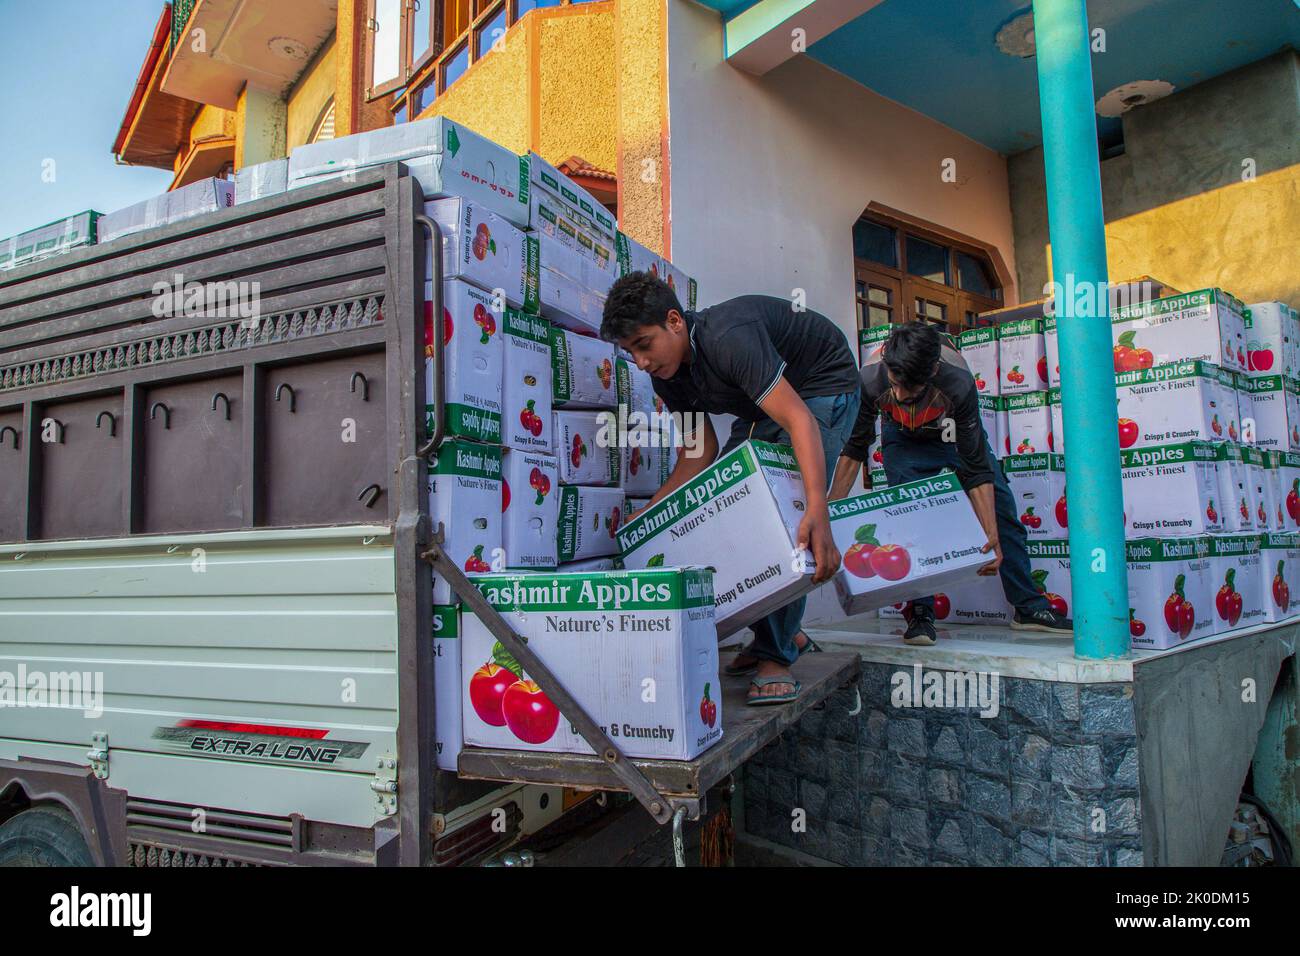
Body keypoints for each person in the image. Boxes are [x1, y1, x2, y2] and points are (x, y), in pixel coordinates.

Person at [601, 273, 861, 705]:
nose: (641, 362)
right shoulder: (666, 376)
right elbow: (699, 453)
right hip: (763, 404)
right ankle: (781, 636)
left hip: (820, 387)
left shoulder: (729, 338)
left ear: (674, 321)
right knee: (729, 500)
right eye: (630, 352)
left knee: (785, 514)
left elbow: (799, 420)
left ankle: (775, 657)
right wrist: (651, 512)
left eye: (644, 345)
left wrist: (818, 505)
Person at [829, 321, 1073, 646]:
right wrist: (831, 512)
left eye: (910, 390)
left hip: (951, 431)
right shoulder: (871, 379)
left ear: (933, 370)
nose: (900, 396)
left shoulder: (957, 381)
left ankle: (1027, 607)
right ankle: (920, 614)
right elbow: (855, 448)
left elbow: (974, 467)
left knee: (1003, 517)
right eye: (895, 384)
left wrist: (990, 535)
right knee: (911, 524)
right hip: (903, 439)